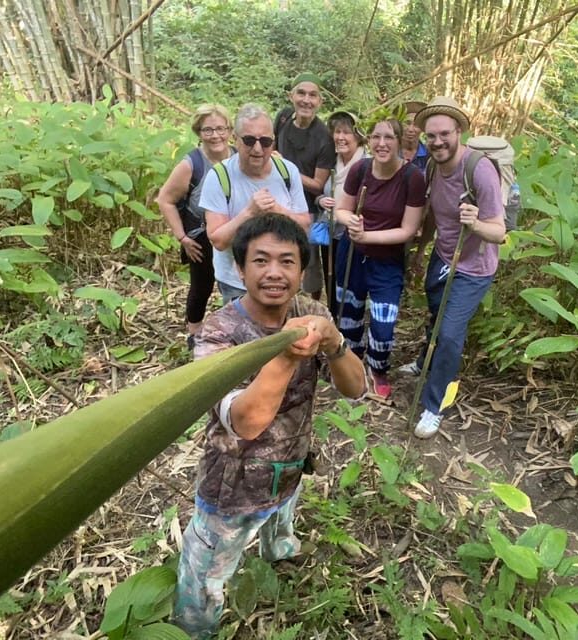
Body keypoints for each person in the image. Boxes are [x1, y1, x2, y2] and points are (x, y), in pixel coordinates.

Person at [173, 213, 366, 638]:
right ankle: (193, 631)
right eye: (261, 261)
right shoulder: (219, 335)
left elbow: (355, 389)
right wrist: (287, 355)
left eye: (287, 261)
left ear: (301, 270)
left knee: (281, 527)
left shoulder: (310, 312)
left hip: (289, 469)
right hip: (233, 486)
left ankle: (279, 554)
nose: (275, 272)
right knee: (202, 586)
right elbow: (246, 423)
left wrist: (334, 342)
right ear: (240, 269)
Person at [403, 97, 506, 438]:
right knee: (436, 316)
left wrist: (476, 223)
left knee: (449, 334)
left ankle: (436, 405)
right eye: (430, 136)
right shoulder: (432, 166)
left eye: (444, 134)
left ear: (458, 132)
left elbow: (499, 231)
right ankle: (424, 362)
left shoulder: (479, 170)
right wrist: (421, 251)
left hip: (474, 267)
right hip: (443, 257)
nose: (437, 142)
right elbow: (433, 214)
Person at [334, 117, 426, 399]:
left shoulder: (412, 177)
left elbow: (408, 229)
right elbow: (342, 209)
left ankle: (378, 367)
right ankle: (350, 363)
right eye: (376, 137)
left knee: (383, 323)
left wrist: (368, 236)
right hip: (352, 253)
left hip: (387, 259)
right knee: (348, 313)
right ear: (369, 140)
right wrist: (352, 224)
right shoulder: (360, 169)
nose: (382, 143)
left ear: (399, 141)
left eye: (389, 137)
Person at [201, 104, 310, 303]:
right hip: (237, 283)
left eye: (266, 141)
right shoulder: (219, 176)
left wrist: (277, 210)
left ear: (273, 141)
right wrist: (250, 212)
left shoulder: (288, 171)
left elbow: (304, 226)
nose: (258, 149)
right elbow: (218, 240)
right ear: (236, 139)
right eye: (249, 140)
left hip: (282, 279)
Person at [156, 104, 235, 347]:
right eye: (208, 130)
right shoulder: (192, 164)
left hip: (233, 230)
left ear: (230, 130)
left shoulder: (238, 156)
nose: (215, 135)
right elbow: (165, 199)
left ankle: (236, 330)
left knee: (234, 282)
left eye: (220, 128)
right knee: (202, 284)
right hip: (201, 235)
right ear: (198, 132)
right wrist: (182, 238)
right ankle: (195, 334)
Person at [274, 72, 335, 302]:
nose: (306, 100)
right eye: (301, 93)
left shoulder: (324, 137)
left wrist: (286, 168)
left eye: (313, 95)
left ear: (320, 101)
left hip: (308, 210)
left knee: (309, 262)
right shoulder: (283, 119)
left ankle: (312, 305)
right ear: (291, 96)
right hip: (278, 204)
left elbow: (318, 184)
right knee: (280, 257)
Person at [316, 110, 368, 316]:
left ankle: (350, 322)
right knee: (331, 279)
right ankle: (333, 319)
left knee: (350, 280)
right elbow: (319, 191)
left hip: (354, 232)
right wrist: (321, 200)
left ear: (358, 136)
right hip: (331, 231)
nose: (340, 137)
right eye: (337, 132)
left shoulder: (367, 163)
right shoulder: (332, 161)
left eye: (347, 132)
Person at [400, 100, 429, 172]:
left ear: (423, 128)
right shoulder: (390, 152)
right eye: (407, 123)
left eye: (416, 125)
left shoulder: (429, 155)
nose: (410, 129)